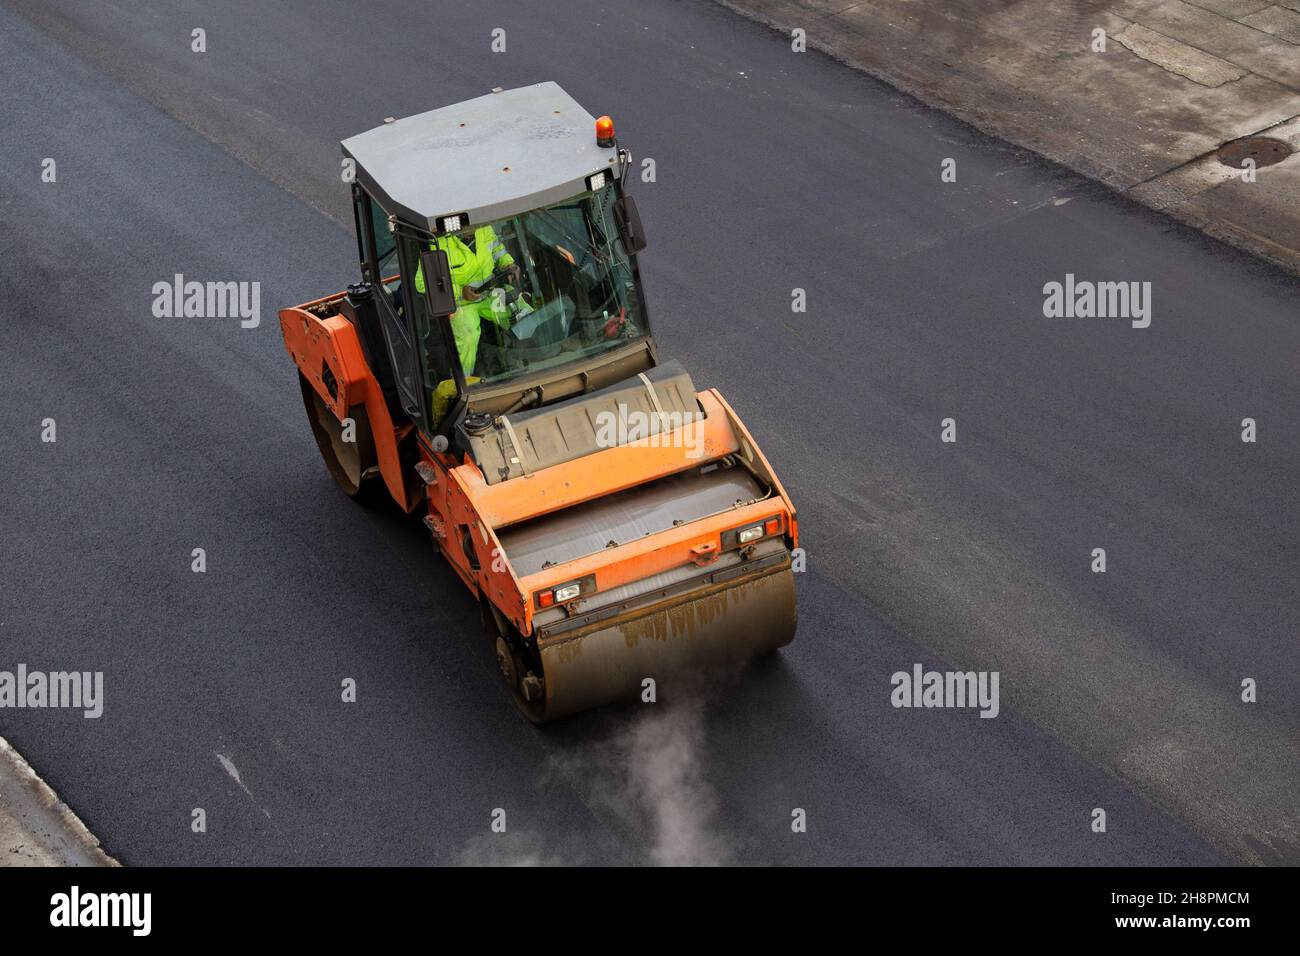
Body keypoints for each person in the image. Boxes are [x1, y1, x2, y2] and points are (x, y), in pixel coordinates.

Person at [415, 224, 521, 376]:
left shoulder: (484, 227)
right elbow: (422, 283)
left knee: (520, 311)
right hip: (462, 304)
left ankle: (539, 361)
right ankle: (464, 385)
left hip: (491, 292)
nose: (474, 227)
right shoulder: (436, 244)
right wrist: (459, 291)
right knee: (468, 336)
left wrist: (508, 264)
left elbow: (497, 249)